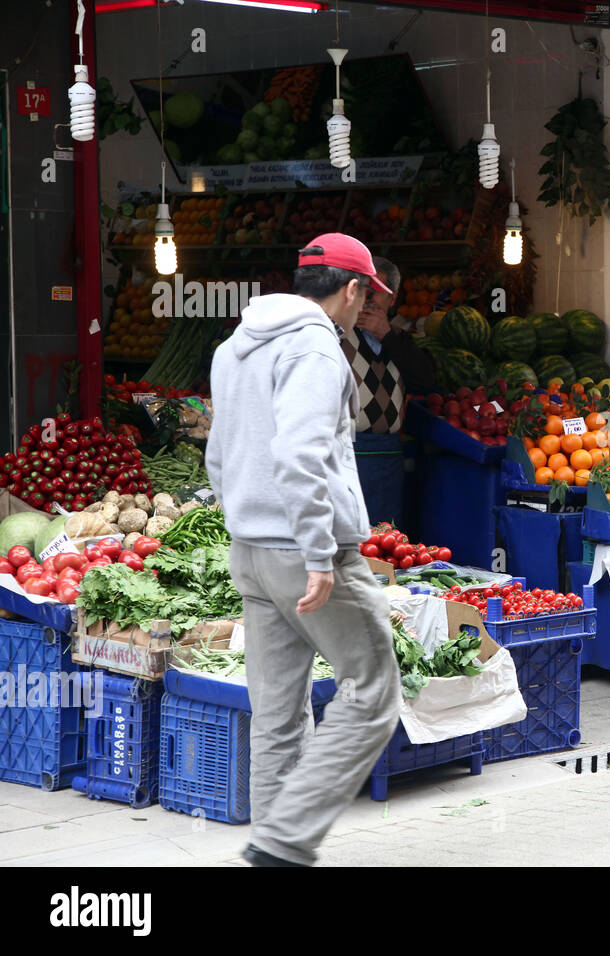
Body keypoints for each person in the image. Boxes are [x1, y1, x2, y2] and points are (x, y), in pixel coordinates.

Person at [207, 234, 401, 866]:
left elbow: (218, 457)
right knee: (372, 689)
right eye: (364, 298)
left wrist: (246, 524)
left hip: (251, 551)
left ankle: (274, 845)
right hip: (304, 554)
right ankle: (287, 844)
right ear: (351, 290)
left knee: (279, 715)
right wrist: (320, 554)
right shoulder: (317, 346)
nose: (361, 310)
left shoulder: (234, 348)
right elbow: (300, 454)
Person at [341, 255, 438, 528]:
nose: (369, 298)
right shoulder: (338, 335)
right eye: (364, 290)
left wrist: (388, 336)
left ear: (392, 299)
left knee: (387, 538)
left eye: (378, 293)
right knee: (350, 537)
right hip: (347, 450)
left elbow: (425, 381)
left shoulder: (401, 340)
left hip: (387, 455)